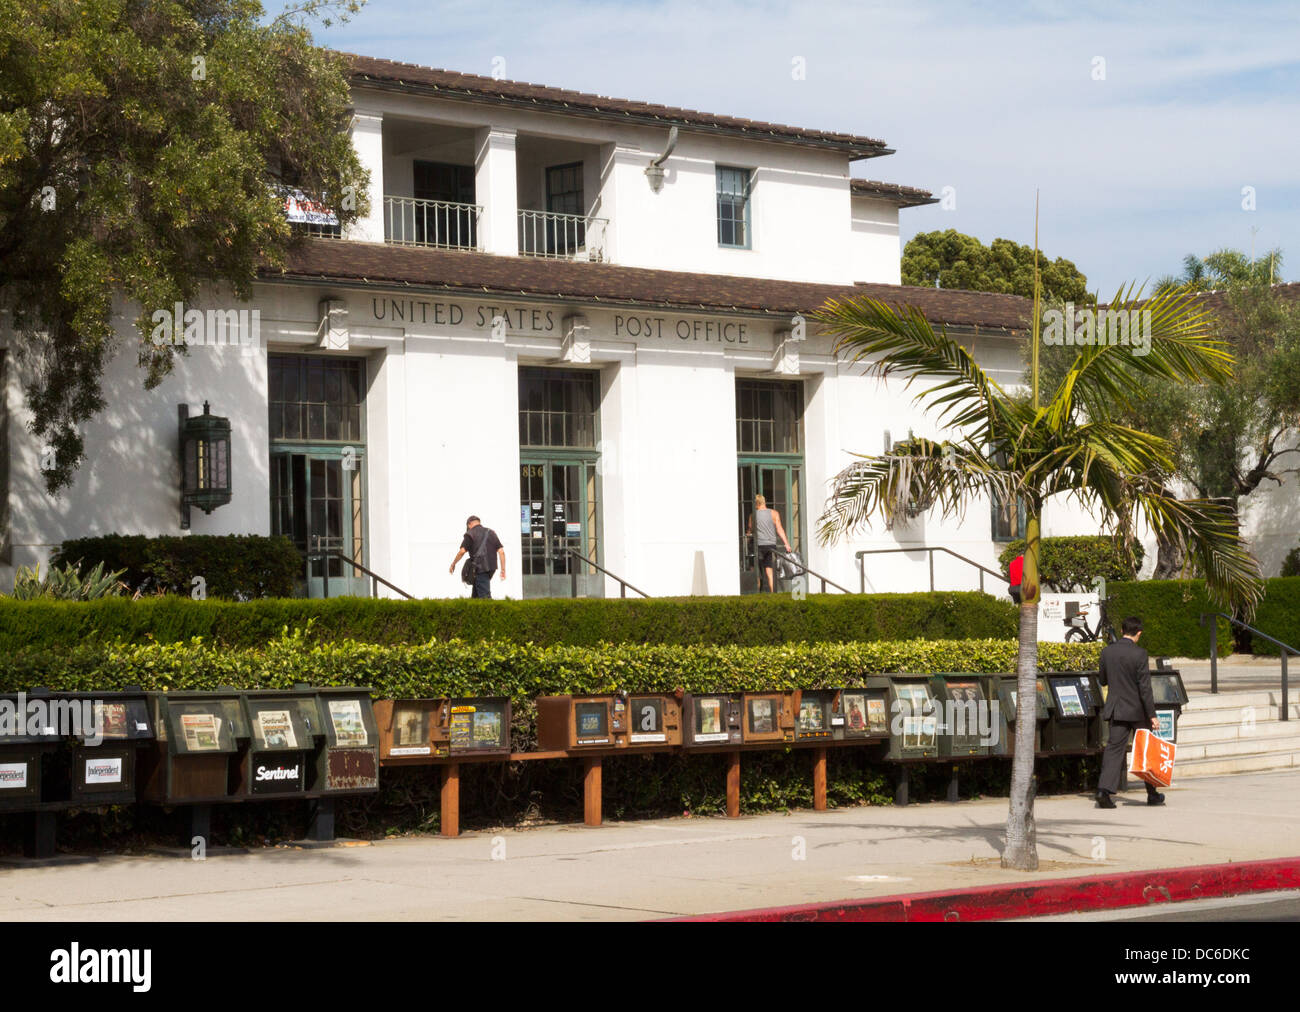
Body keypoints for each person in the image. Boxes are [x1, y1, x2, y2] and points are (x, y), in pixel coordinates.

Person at [1096, 615, 1164, 808]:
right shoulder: (1140, 654)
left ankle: (1104, 791)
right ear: (1139, 633)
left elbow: (1102, 680)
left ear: (1122, 630)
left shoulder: (1107, 652)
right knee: (1144, 750)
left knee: (1114, 750)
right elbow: (1145, 688)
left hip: (1117, 708)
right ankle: (1152, 794)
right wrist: (1152, 715)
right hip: (1138, 711)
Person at [449, 515, 505, 599]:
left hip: (480, 568)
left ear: (469, 524)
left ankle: (489, 611)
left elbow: (462, 551)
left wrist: (453, 564)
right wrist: (503, 569)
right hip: (491, 568)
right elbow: (501, 552)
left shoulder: (470, 533)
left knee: (485, 598)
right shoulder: (491, 532)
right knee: (476, 596)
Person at [746, 494, 792, 593]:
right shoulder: (774, 513)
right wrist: (786, 544)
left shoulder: (753, 515)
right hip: (771, 546)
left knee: (755, 571)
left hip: (757, 545)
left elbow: (750, 530)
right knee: (769, 571)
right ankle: (772, 594)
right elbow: (779, 529)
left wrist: (746, 542)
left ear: (756, 503)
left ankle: (756, 593)